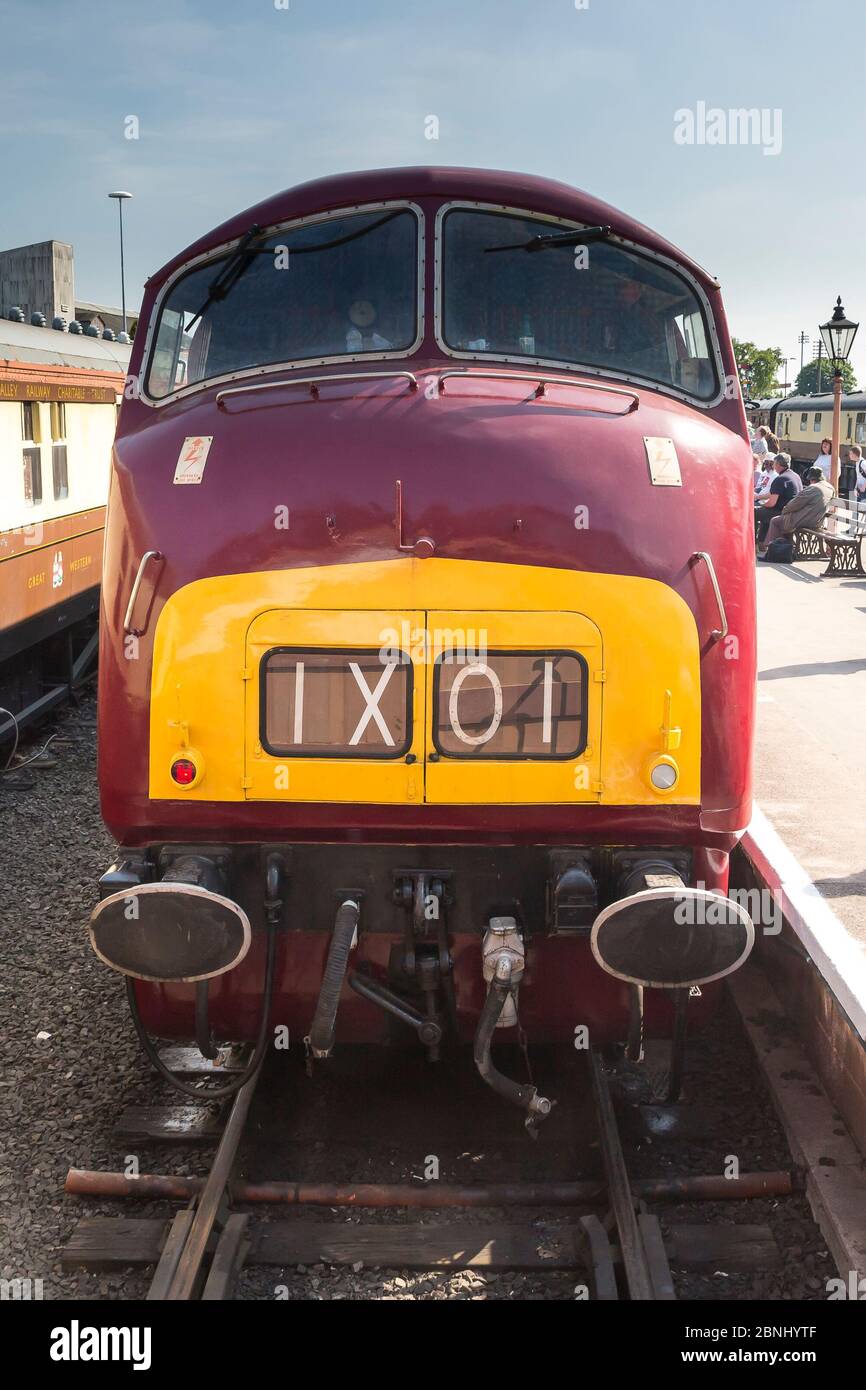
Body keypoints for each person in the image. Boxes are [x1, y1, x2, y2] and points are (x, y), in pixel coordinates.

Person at [759, 466, 835, 556]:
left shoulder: (813, 488)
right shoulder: (830, 487)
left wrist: (785, 510)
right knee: (783, 520)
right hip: (817, 521)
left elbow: (794, 504)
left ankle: (771, 550)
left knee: (775, 520)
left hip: (806, 520)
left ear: (811, 479)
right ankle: (786, 546)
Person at [755, 455, 798, 544]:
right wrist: (758, 497)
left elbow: (771, 503)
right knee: (764, 513)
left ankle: (753, 543)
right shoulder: (795, 476)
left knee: (753, 512)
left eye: (774, 463)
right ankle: (762, 542)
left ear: (777, 464)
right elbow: (774, 493)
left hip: (782, 512)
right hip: (793, 512)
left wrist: (760, 504)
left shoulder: (780, 479)